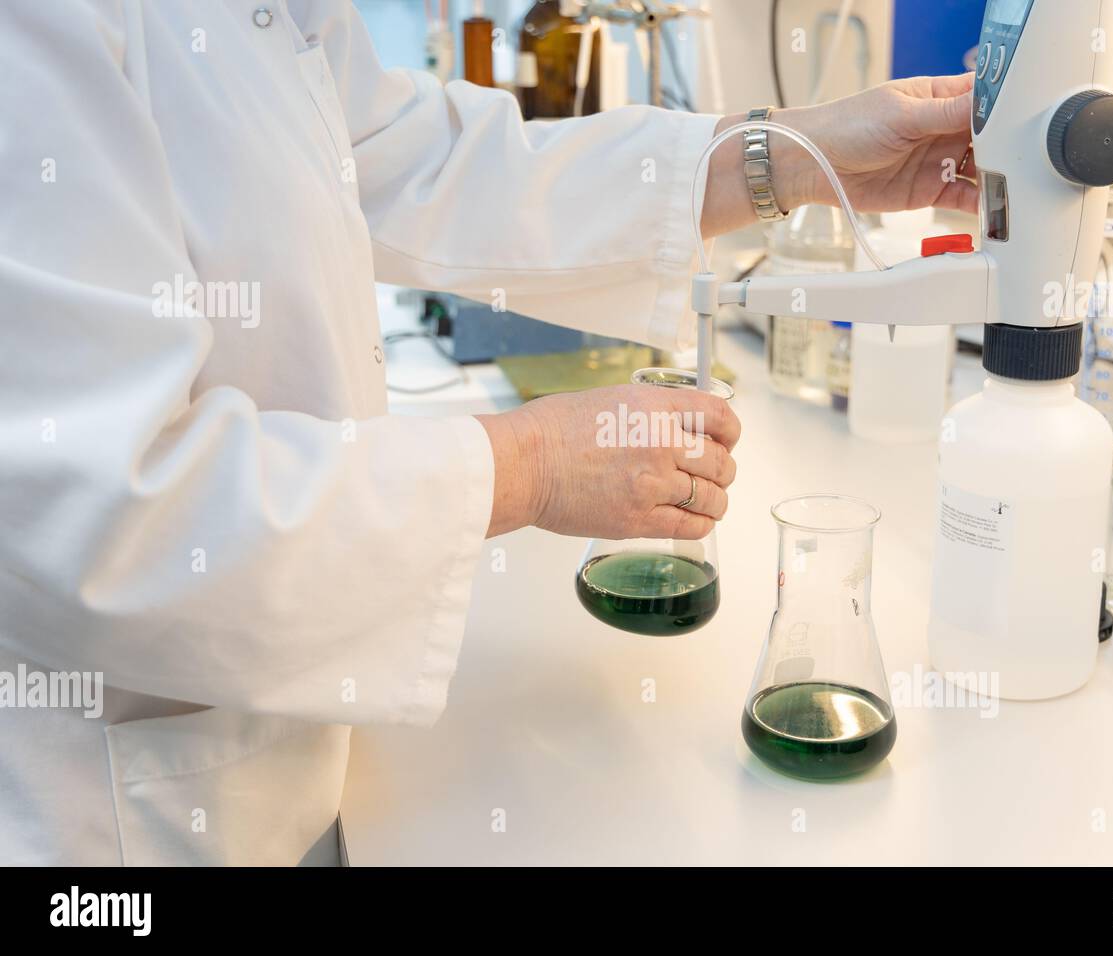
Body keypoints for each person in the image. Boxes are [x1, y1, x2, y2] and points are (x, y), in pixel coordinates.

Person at [0, 0, 976, 865]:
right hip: (111, 826)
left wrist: (784, 154)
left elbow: (412, 154)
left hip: (275, 760)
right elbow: (106, 515)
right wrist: (532, 462)